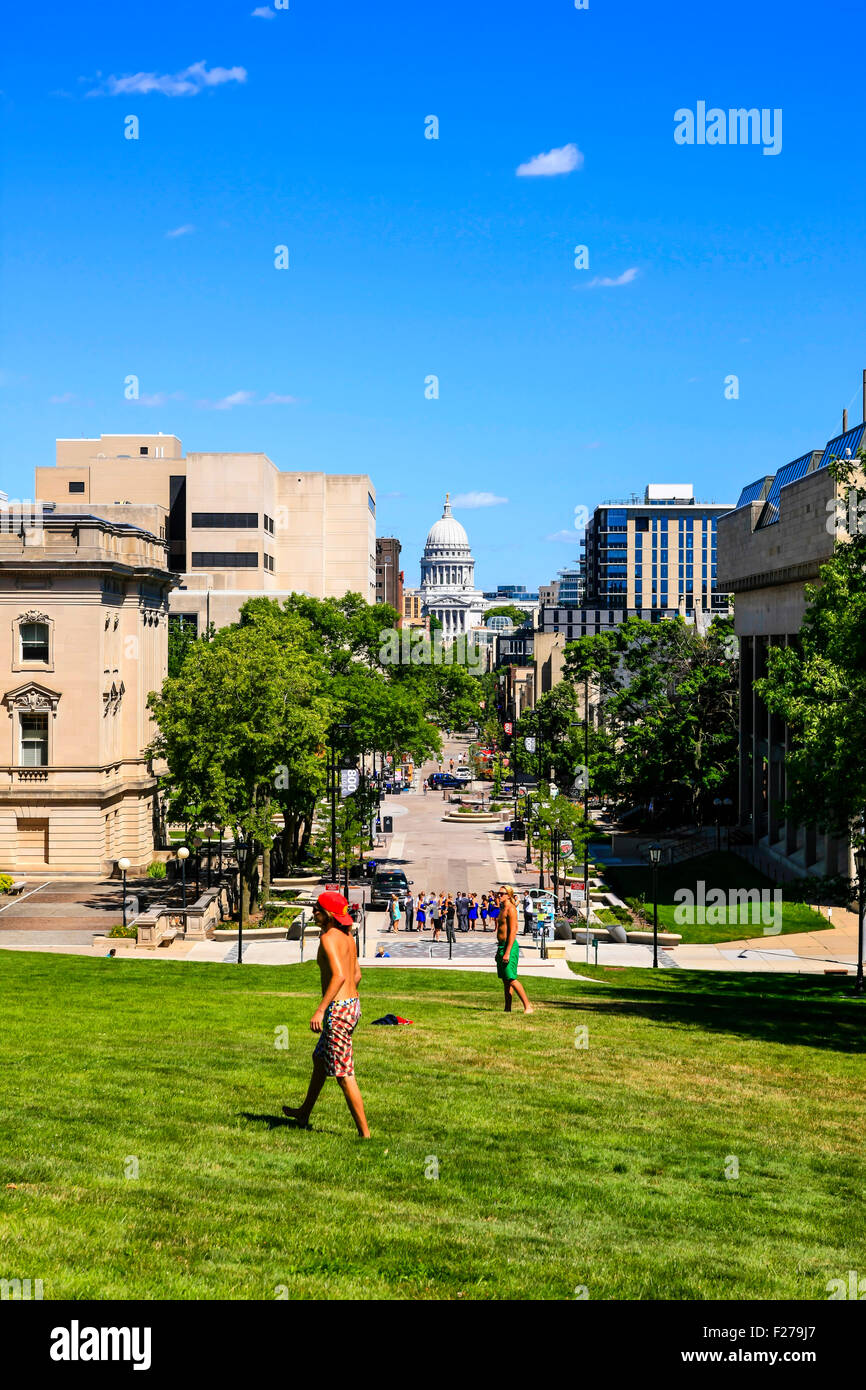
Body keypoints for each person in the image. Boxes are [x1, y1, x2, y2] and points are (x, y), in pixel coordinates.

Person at [282, 891, 371, 1137]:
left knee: (343, 1074)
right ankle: (304, 1113)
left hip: (338, 1011)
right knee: (320, 1059)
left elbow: (340, 976)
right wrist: (348, 1001)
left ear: (328, 914)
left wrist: (322, 1010)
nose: (314, 913)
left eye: (317, 909)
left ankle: (365, 1134)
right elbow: (356, 976)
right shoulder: (347, 937)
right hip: (351, 1006)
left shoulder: (329, 938)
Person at [495, 887, 534, 1015]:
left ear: (508, 895)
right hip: (501, 946)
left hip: (509, 946)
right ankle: (507, 1008)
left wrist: (507, 952)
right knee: (506, 980)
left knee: (511, 978)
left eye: (502, 893)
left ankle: (528, 1006)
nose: (499, 895)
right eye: (498, 893)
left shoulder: (511, 909)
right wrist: (499, 951)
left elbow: (513, 931)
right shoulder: (502, 908)